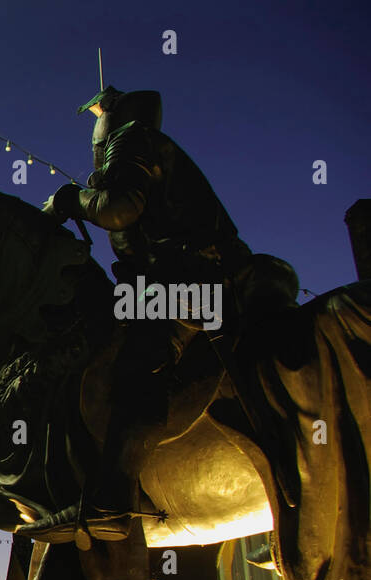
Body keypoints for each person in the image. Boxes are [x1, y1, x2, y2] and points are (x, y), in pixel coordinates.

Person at [22, 86, 285, 548]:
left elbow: (119, 209)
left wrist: (69, 201)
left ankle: (110, 495)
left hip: (200, 281)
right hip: (188, 277)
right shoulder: (142, 145)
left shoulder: (132, 138)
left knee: (140, 356)